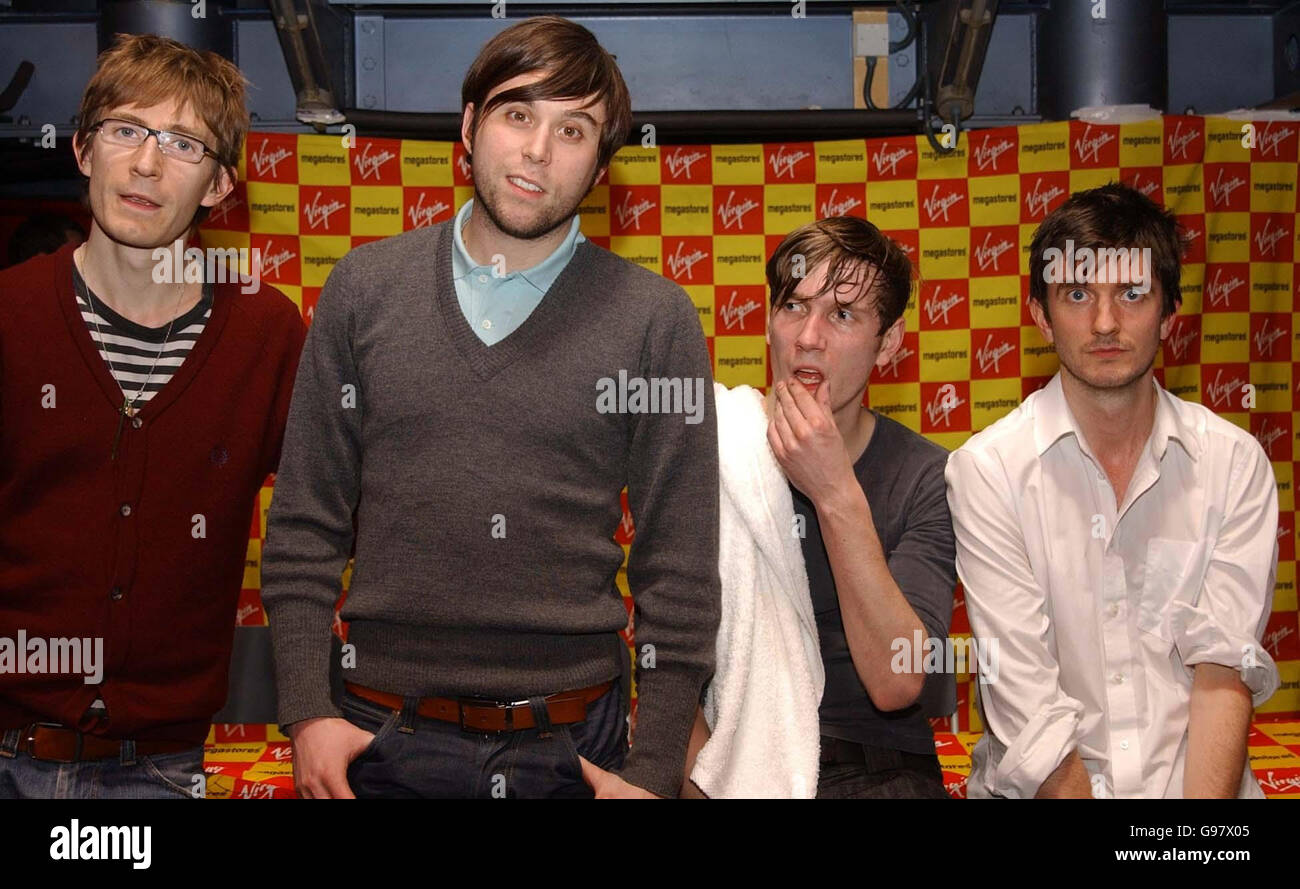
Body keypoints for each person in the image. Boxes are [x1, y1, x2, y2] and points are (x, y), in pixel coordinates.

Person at [260, 15, 720, 799]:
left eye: (573, 129)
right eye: (518, 115)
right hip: (379, 741)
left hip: (576, 750)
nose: (539, 150)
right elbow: (305, 525)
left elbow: (679, 574)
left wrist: (650, 772)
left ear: (603, 166)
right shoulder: (364, 291)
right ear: (469, 126)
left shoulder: (654, 319)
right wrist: (306, 710)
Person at [0, 33, 306, 798]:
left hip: (158, 770)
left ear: (219, 185)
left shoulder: (266, 334)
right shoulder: (9, 314)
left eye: (182, 143)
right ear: (82, 148)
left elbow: (331, 517)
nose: (146, 163)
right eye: (126, 130)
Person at [945, 182, 1280, 798]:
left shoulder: (1234, 463)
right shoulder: (987, 471)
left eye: (1131, 293)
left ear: (1169, 314)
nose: (1104, 322)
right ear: (1040, 316)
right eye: (1077, 294)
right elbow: (1030, 706)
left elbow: (1222, 670)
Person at [685, 216, 958, 799]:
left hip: (881, 770)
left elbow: (898, 681)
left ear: (889, 343)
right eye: (792, 306)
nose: (808, 336)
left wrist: (834, 491)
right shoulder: (717, 447)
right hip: (731, 770)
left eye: (841, 314)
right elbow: (672, 659)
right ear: (767, 323)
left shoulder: (926, 476)